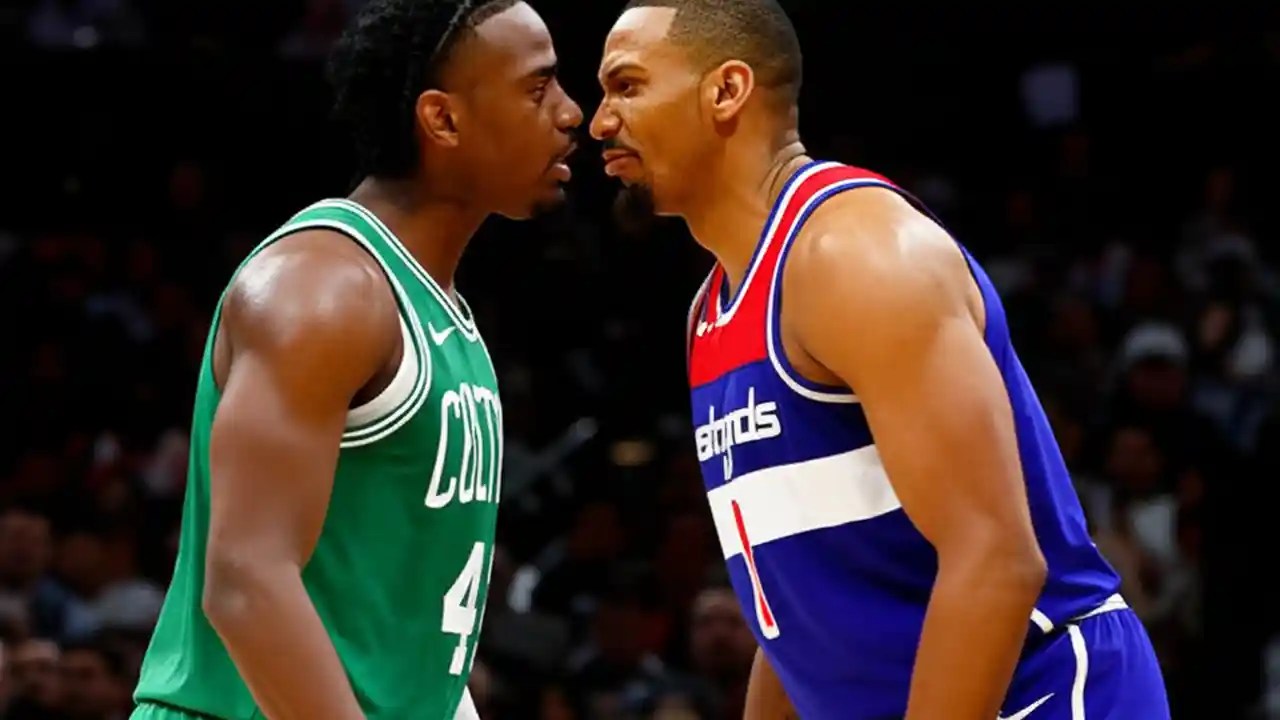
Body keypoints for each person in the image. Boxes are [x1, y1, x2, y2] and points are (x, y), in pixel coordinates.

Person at [590, 1, 1170, 719]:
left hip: (1045, 694)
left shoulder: (857, 256)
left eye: (627, 86)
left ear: (725, 90)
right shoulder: (710, 312)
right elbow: (795, 620)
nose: (599, 121)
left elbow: (996, 560)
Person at [131, 1, 582, 718]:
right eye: (538, 88)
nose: (571, 113)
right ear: (443, 120)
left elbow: (392, 614)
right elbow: (247, 580)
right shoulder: (325, 289)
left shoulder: (435, 305)